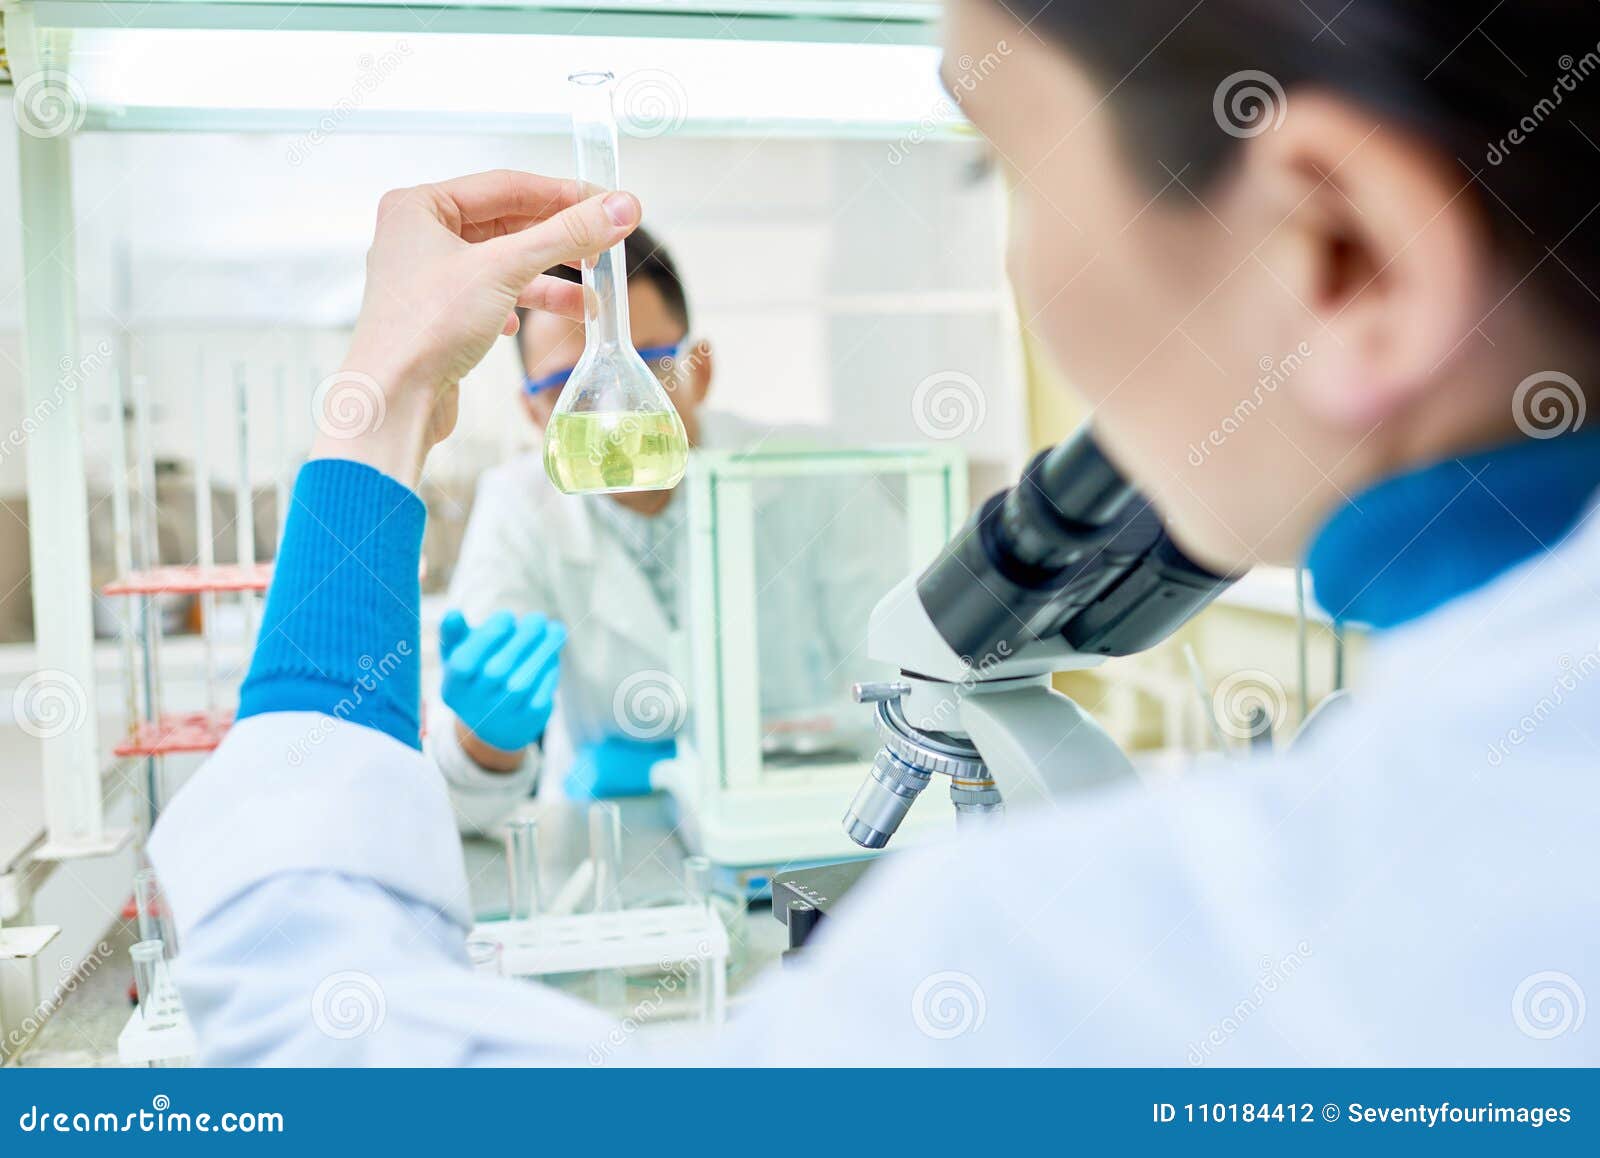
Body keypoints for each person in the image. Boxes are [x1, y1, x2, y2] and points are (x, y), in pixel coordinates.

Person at [151, 0, 1599, 1063]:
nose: (1028, 267)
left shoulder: (1109, 970)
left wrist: (380, 394)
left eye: (1005, 169)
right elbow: (481, 769)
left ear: (1346, 258)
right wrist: (485, 746)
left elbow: (316, 1042)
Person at [428, 227, 899, 832]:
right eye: (570, 386)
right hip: (612, 849)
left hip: (809, 828)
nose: (618, 410)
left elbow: (914, 694)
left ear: (698, 371)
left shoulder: (814, 475)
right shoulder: (518, 507)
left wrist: (758, 750)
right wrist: (486, 742)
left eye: (648, 364)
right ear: (534, 412)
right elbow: (460, 812)